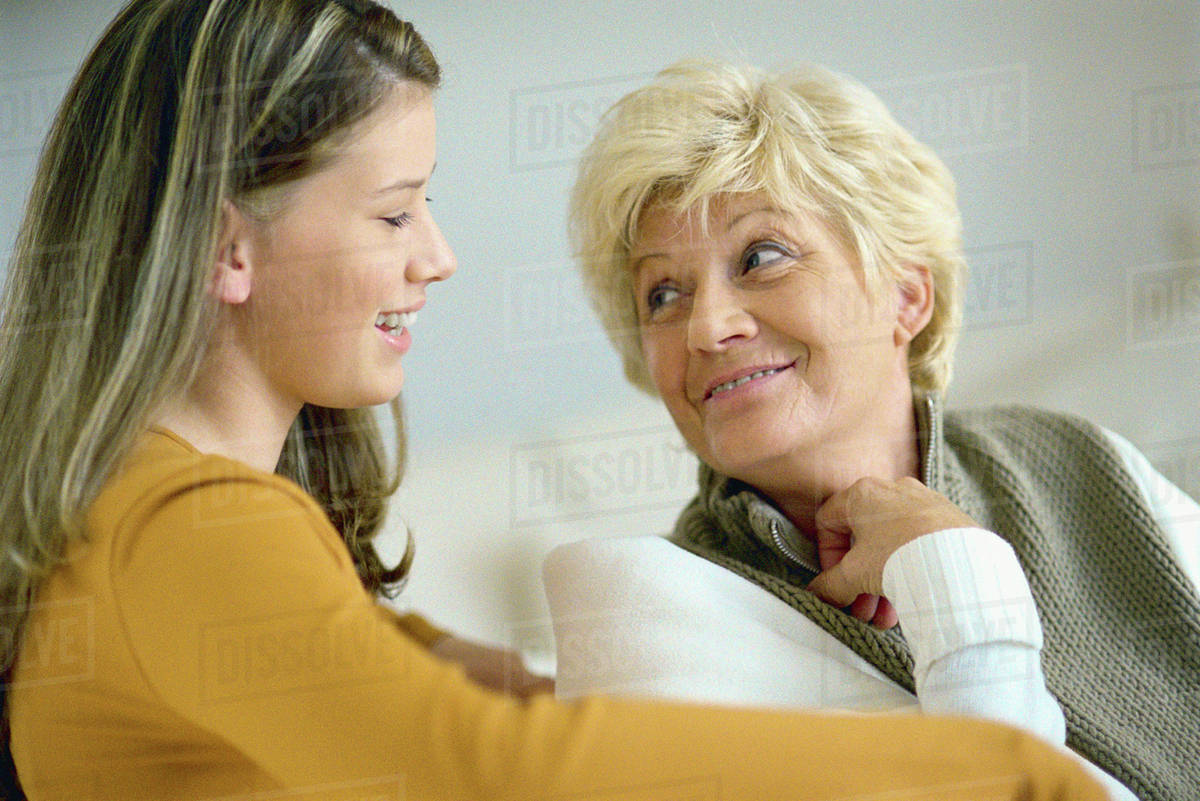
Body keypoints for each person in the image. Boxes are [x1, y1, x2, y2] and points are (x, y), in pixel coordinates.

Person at [0, 2, 1115, 799]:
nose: (437, 257)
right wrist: (1009, 774)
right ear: (224, 246)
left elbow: (455, 701)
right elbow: (481, 769)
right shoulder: (192, 526)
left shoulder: (166, 517)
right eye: (394, 214)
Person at [548, 59, 1200, 801]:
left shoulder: (1074, 461)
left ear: (906, 294)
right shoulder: (647, 615)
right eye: (664, 293)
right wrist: (955, 576)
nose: (706, 326)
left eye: (761, 257)